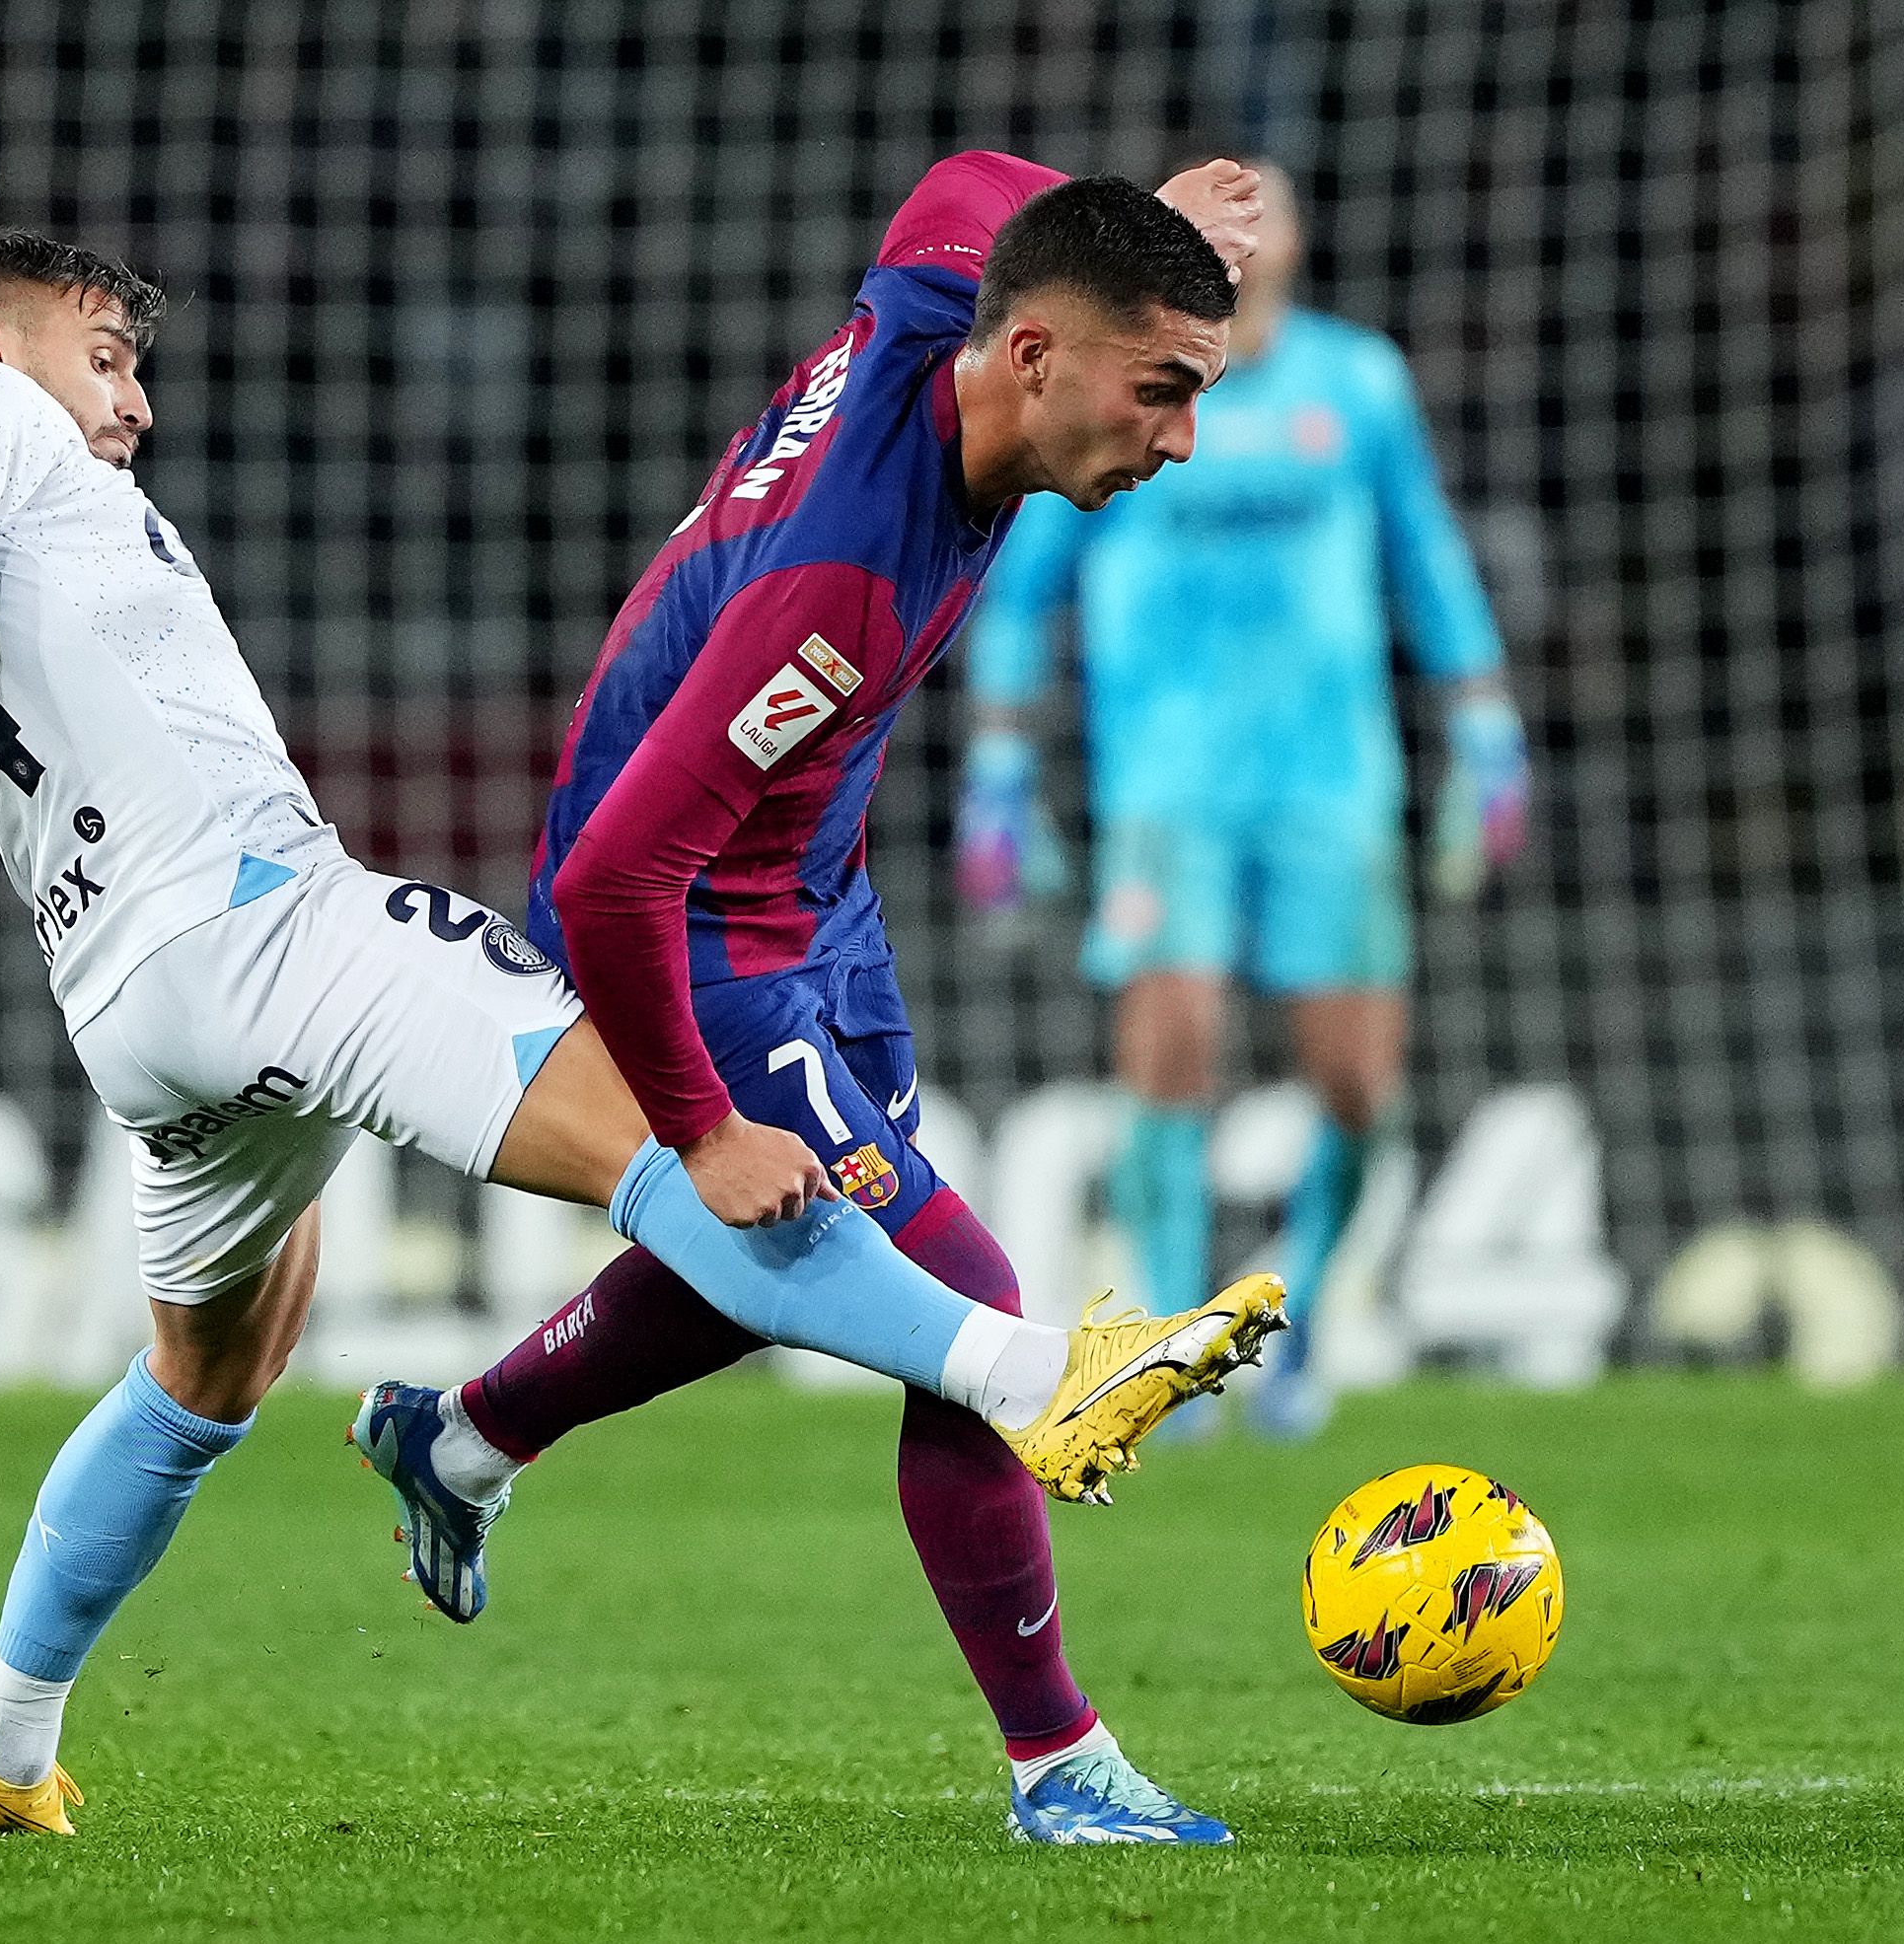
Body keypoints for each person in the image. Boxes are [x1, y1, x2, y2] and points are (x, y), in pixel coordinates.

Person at [0, 227, 1261, 1836]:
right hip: (268, 926)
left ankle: (4, 1739)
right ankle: (1027, 1369)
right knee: (673, 1140)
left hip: (128, 1012)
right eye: (104, 361)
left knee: (211, 1370)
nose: (131, 407)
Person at [352, 155, 1283, 1846]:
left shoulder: (945, 297)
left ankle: (461, 1441)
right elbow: (605, 882)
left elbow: (957, 189)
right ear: (1033, 363)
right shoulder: (837, 595)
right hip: (695, 917)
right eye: (1161, 391)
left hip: (809, 882)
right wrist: (698, 1126)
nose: (1178, 439)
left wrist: (1121, 222)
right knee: (960, 1306)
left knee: (802, 1258)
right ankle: (1057, 1766)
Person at [957, 164, 1529, 1438]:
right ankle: (1171, 1337)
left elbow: (1422, 553)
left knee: (1354, 1087)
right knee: (1171, 1049)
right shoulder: (1129, 388)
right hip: (1166, 786)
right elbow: (1027, 569)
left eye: (1268, 218)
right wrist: (998, 760)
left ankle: (1308, 1313)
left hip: (1330, 784)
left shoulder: (1355, 383)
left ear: (1296, 247)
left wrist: (1483, 721)